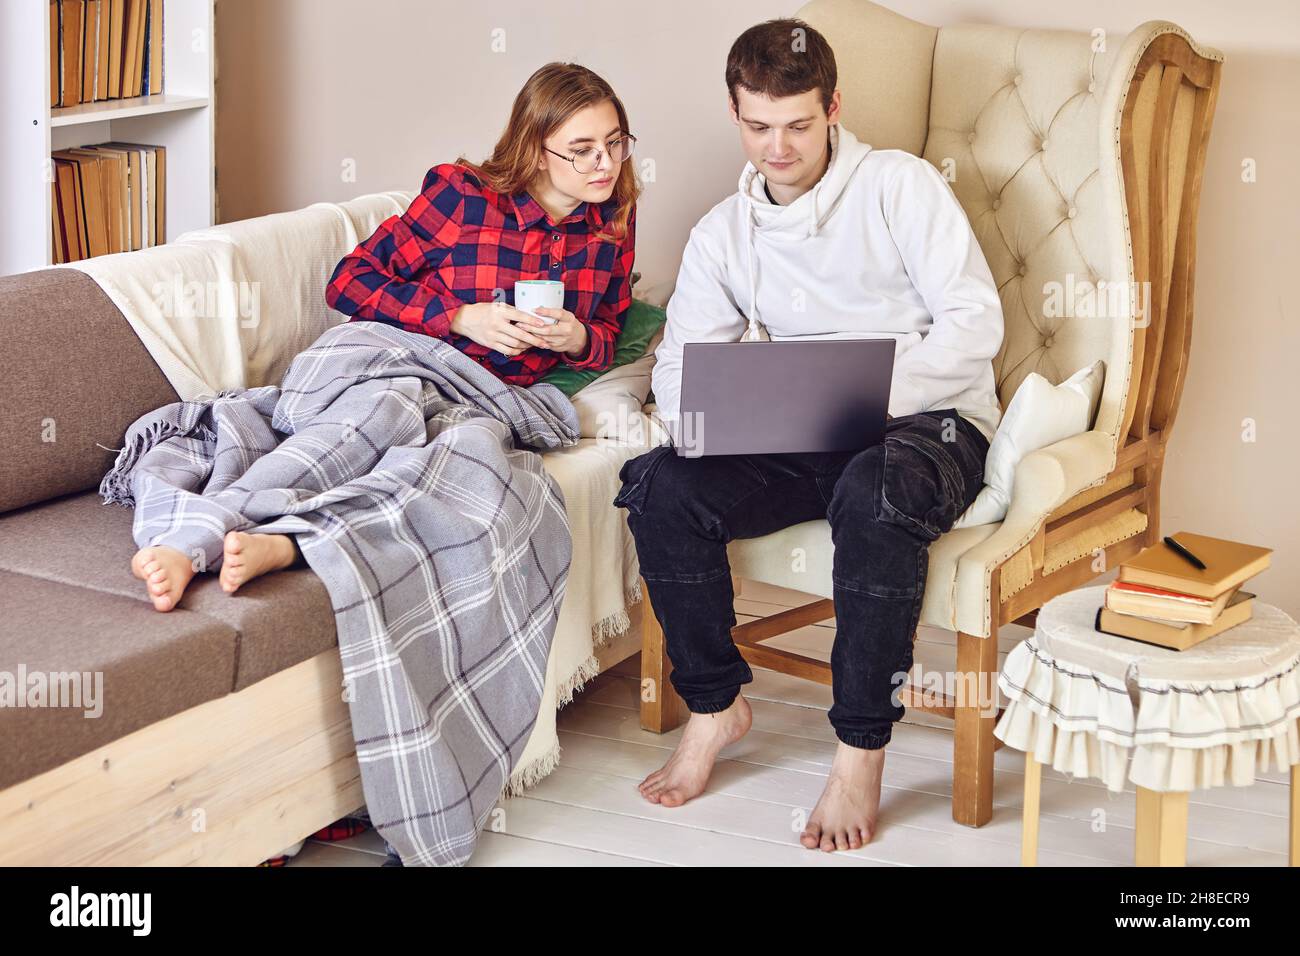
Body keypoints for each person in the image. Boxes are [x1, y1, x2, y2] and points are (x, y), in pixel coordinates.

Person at [614, 19, 1003, 852]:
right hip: (807, 435)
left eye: (798, 124)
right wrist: (716, 420)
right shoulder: (726, 232)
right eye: (759, 127)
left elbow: (975, 326)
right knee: (658, 485)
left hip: (928, 429)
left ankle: (860, 750)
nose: (778, 147)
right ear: (734, 113)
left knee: (873, 490)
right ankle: (716, 707)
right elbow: (680, 370)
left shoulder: (900, 186)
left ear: (833, 108)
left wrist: (868, 391)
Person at [130, 62, 639, 612]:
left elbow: (610, 327)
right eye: (582, 149)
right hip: (391, 364)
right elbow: (349, 281)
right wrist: (461, 316)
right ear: (537, 148)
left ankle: (285, 542)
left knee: (462, 471)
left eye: (615, 143)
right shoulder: (466, 198)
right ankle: (192, 540)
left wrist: (578, 339)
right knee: (389, 410)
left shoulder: (613, 222)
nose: (605, 163)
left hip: (480, 403)